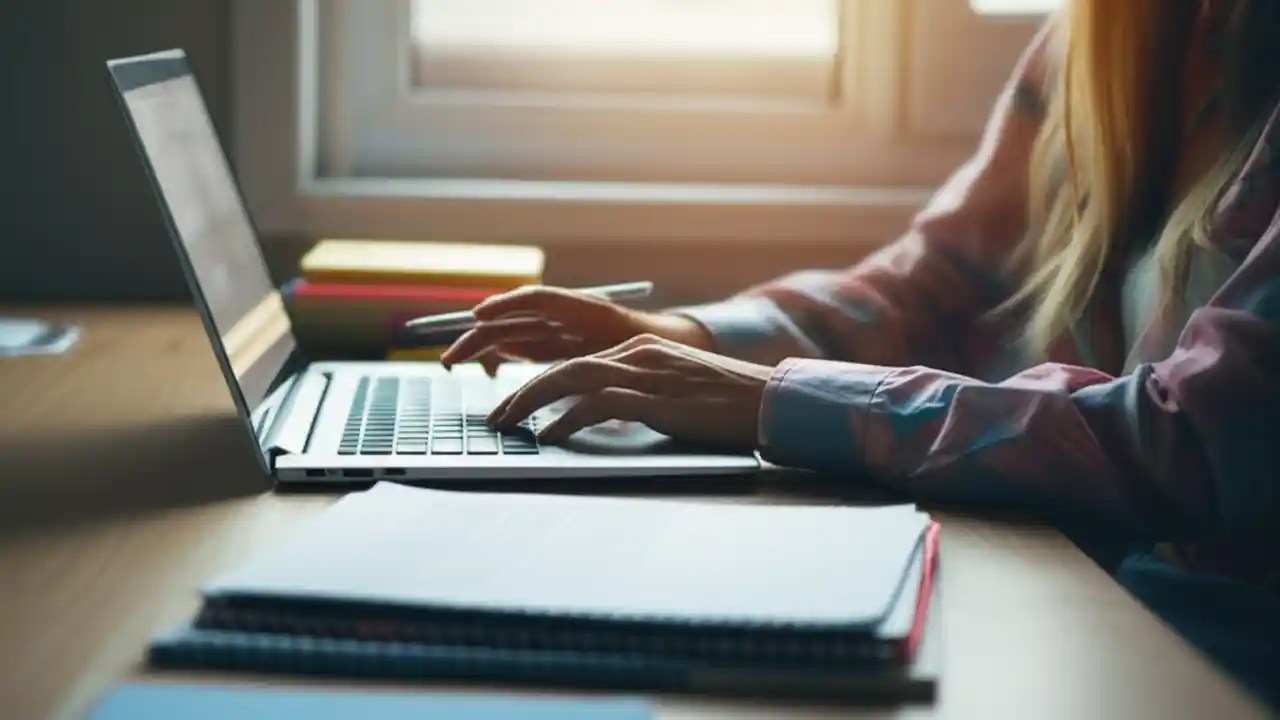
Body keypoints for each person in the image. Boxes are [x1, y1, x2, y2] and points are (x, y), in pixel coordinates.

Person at [442, 0, 1280, 704]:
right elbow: (939, 285)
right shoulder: (1101, 33)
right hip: (1082, 600)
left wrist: (777, 398)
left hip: (1221, 660)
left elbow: (1192, 444)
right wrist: (685, 340)